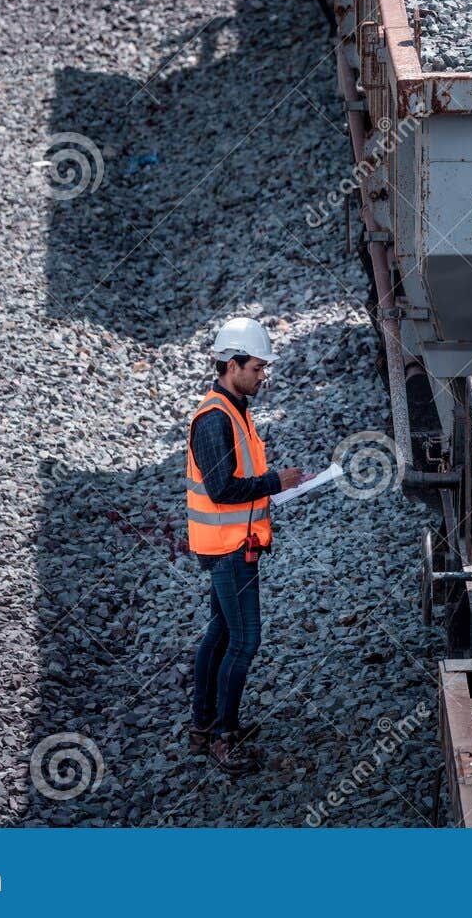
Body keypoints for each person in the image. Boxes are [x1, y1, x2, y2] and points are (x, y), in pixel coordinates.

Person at [185, 316, 310, 773]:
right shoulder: (215, 419)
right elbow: (221, 489)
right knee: (245, 639)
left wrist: (276, 485)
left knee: (220, 634)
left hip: (234, 543)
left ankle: (204, 725)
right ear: (232, 365)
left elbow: (236, 483)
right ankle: (223, 734)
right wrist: (274, 481)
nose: (263, 376)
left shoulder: (233, 410)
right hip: (229, 548)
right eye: (257, 367)